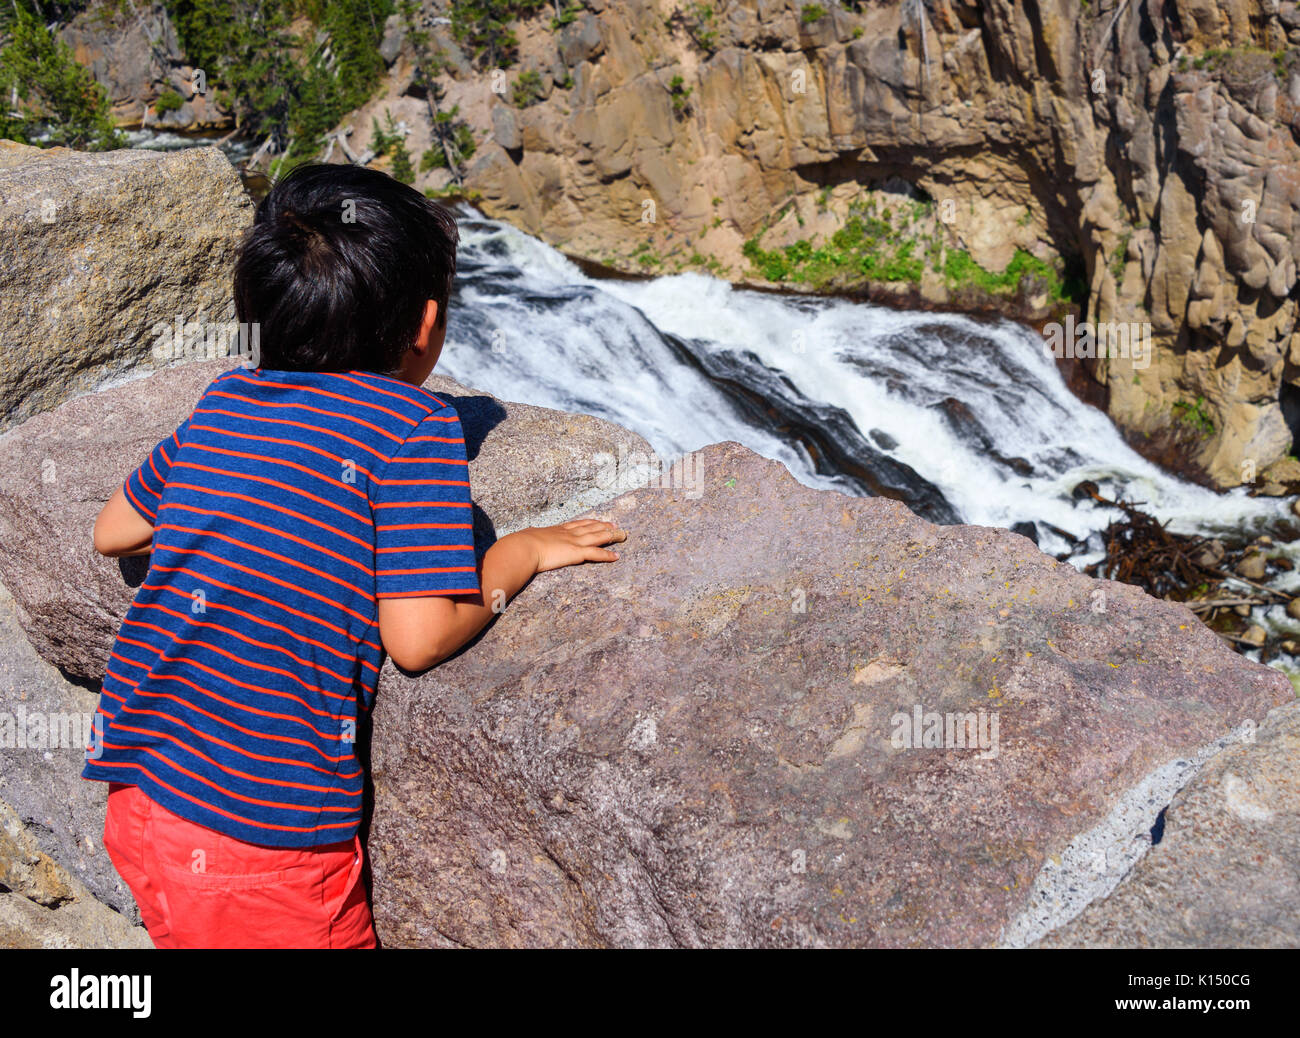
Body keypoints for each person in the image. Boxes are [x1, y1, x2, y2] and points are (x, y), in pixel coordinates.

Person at [84, 163, 626, 948]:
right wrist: (521, 553)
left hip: (138, 800)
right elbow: (416, 639)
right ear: (426, 324)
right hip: (260, 842)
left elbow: (113, 531)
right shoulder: (412, 427)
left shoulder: (225, 400)